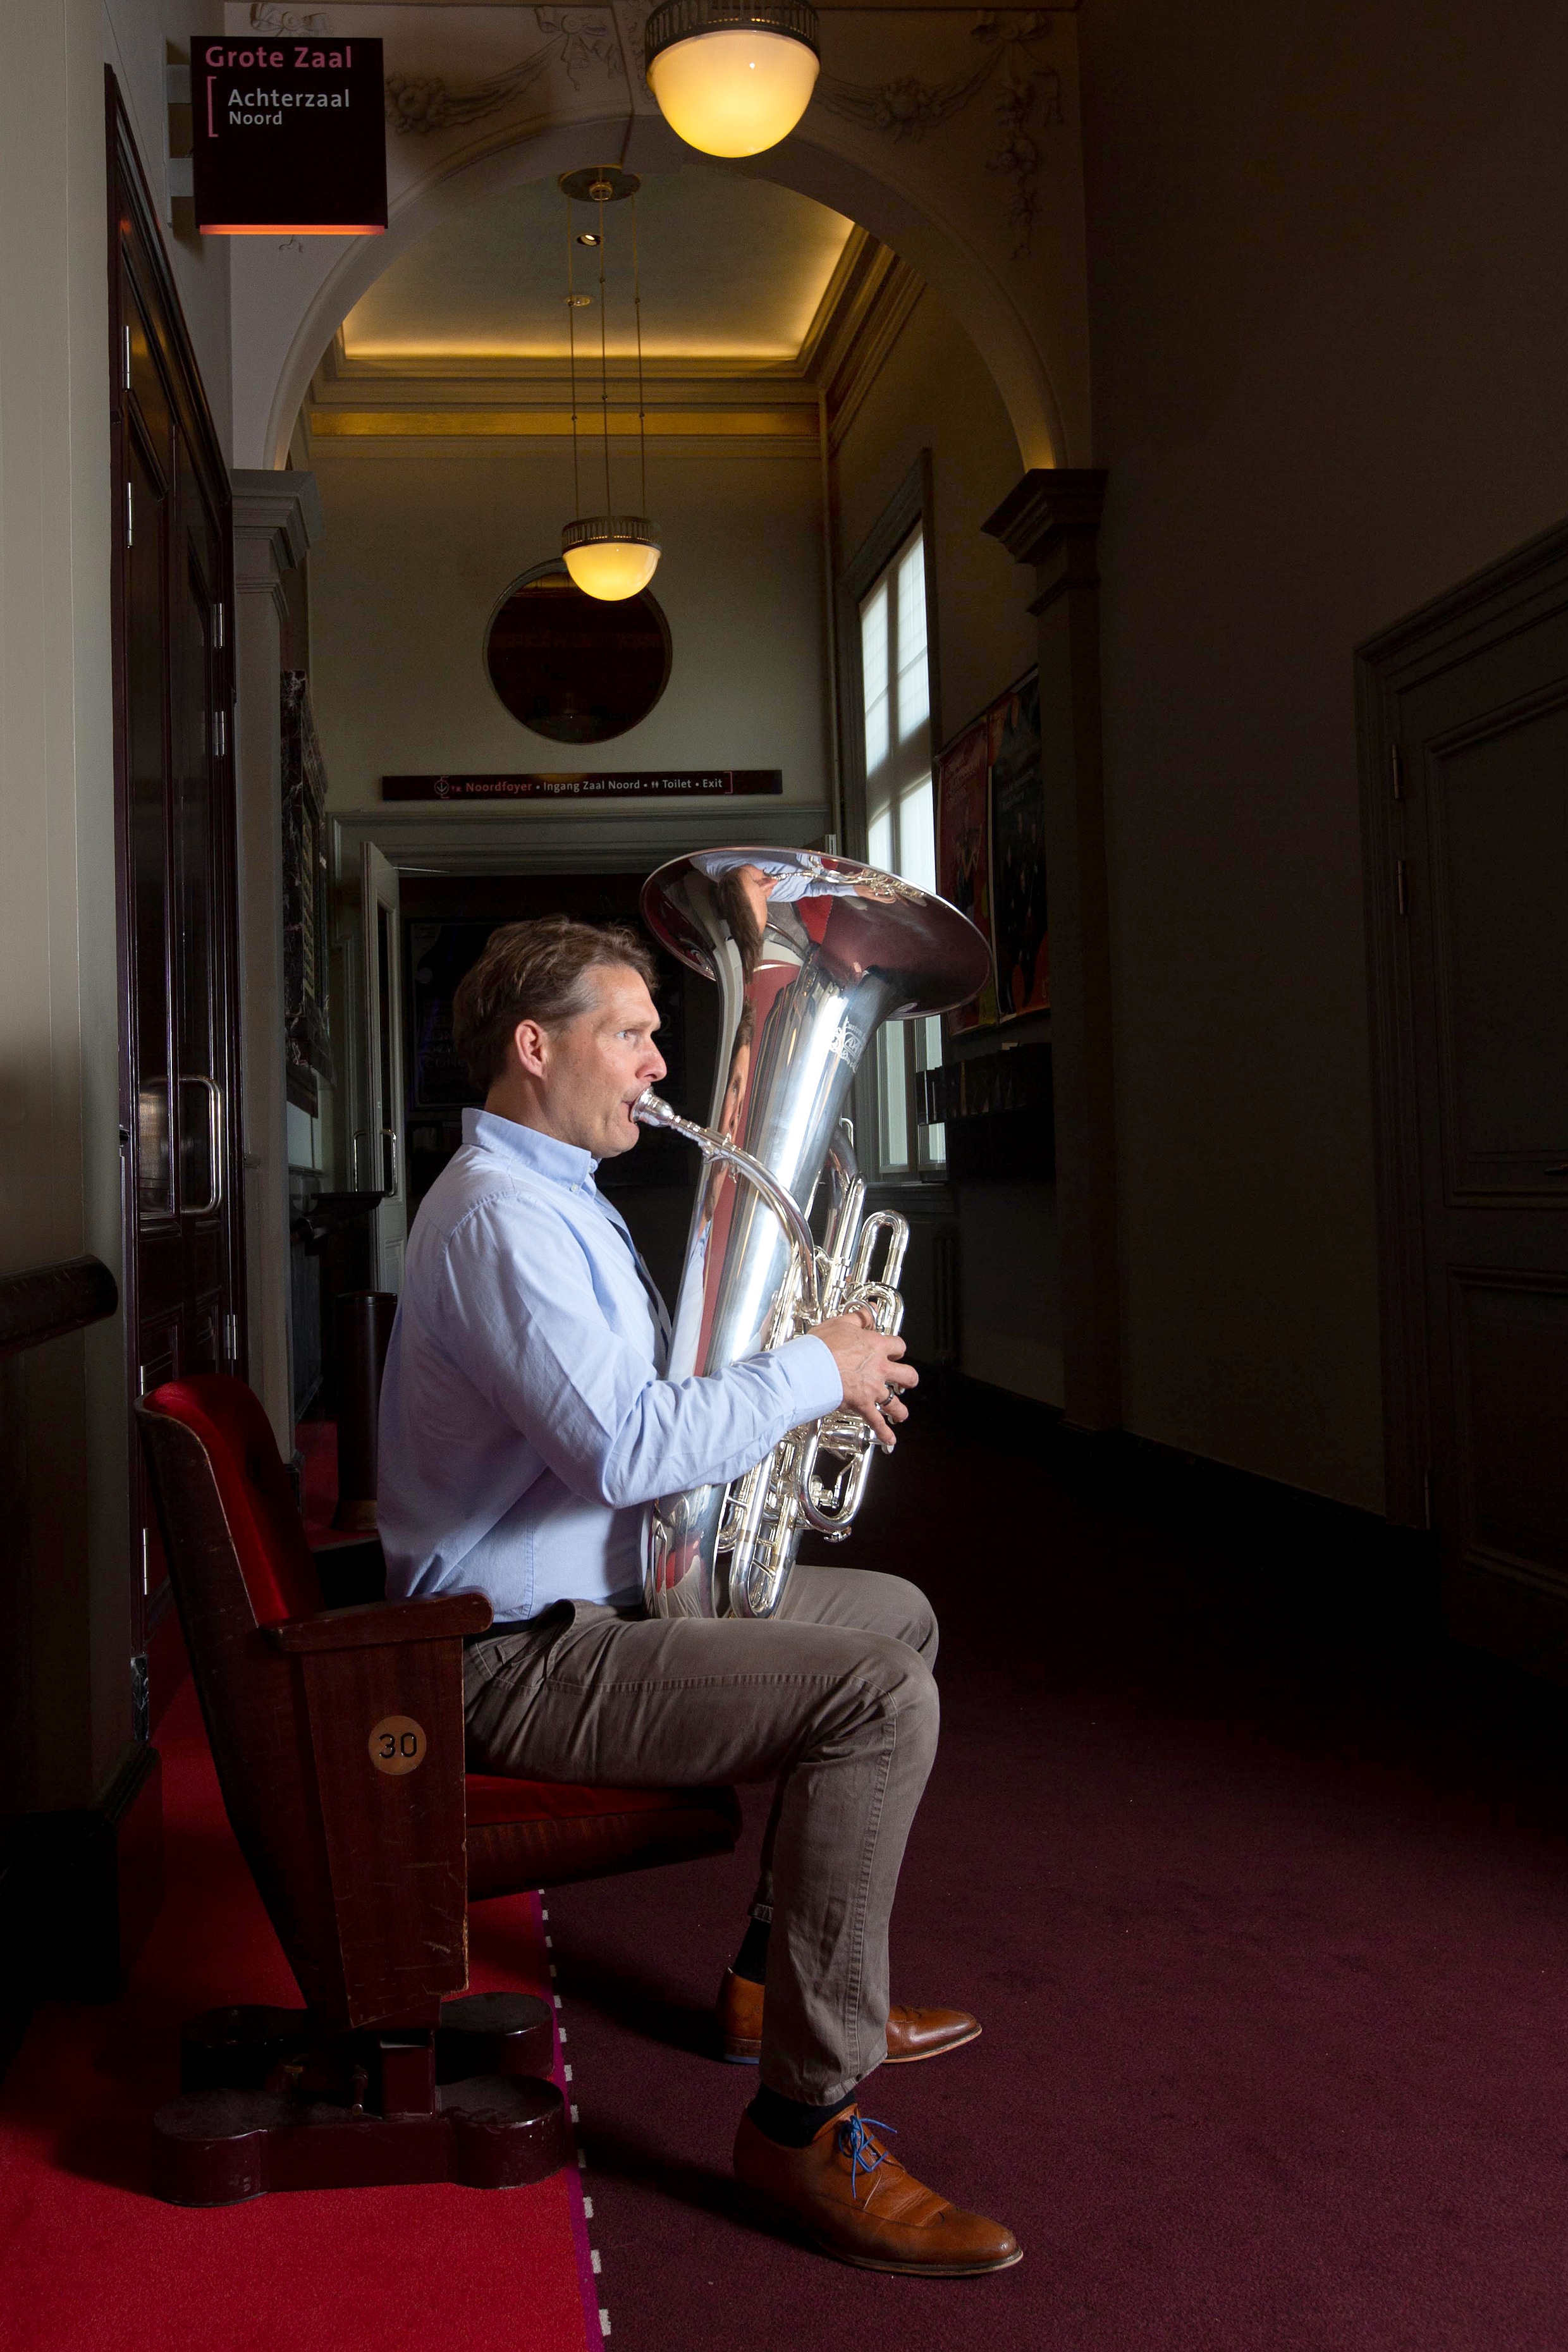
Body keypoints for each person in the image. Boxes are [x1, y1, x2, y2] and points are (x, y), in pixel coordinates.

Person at [379, 916, 1020, 2278]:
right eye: (634, 1034)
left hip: (590, 1607)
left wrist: (798, 1379)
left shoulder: (555, 1196)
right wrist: (813, 1372)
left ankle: (765, 1983)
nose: (664, 1065)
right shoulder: (503, 1218)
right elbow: (623, 1449)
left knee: (894, 1614)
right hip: (512, 1656)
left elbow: (638, 1425)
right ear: (535, 1047)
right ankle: (804, 2115)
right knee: (877, 1693)